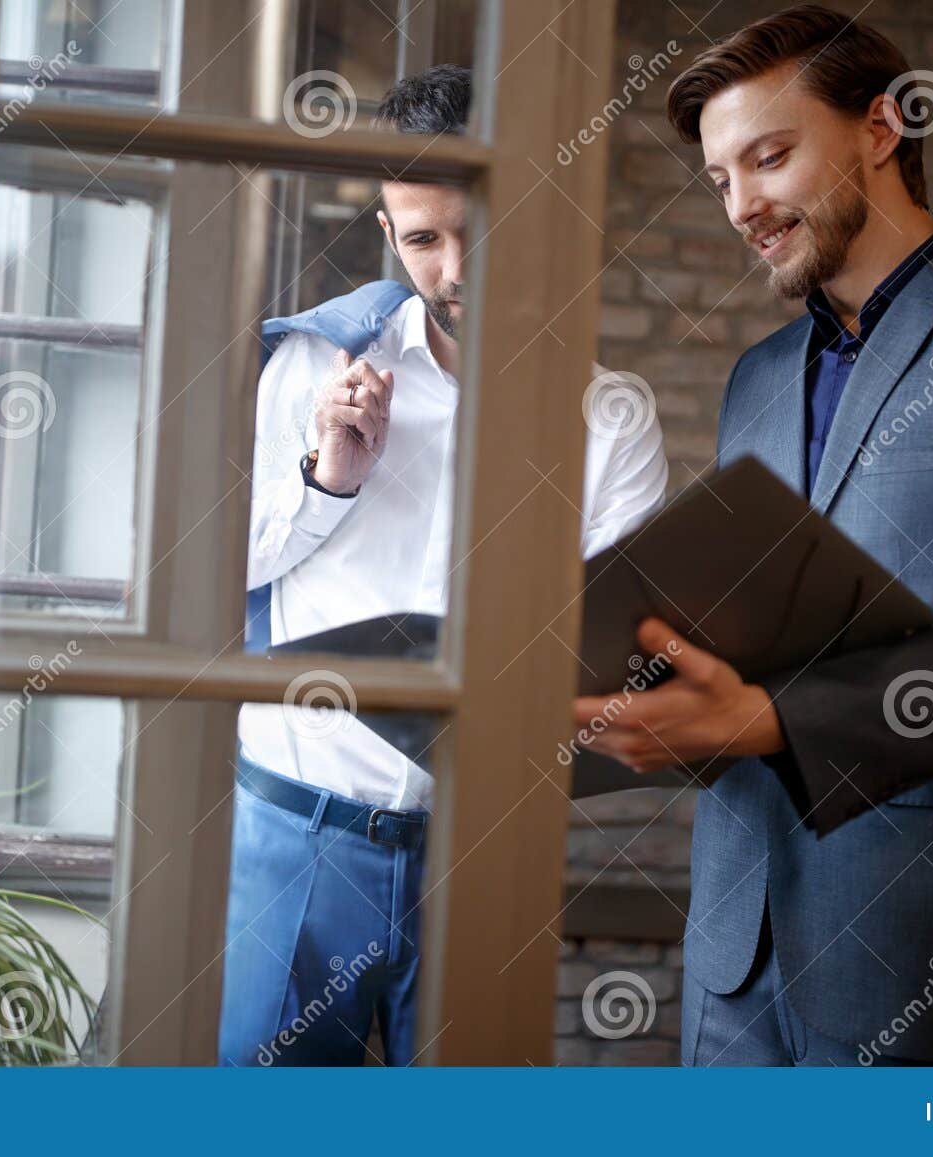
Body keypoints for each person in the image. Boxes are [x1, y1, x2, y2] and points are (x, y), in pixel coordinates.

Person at [575, 6, 933, 1066]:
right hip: (736, 958)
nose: (743, 206)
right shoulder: (756, 376)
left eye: (769, 156)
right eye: (720, 179)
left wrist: (764, 718)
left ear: (884, 128)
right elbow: (760, 633)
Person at [219, 64, 669, 1066]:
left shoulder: (612, 420)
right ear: (389, 234)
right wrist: (329, 477)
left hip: (484, 857)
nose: (457, 267)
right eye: (423, 239)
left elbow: (619, 657)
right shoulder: (310, 367)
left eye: (482, 228)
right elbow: (223, 574)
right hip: (295, 836)